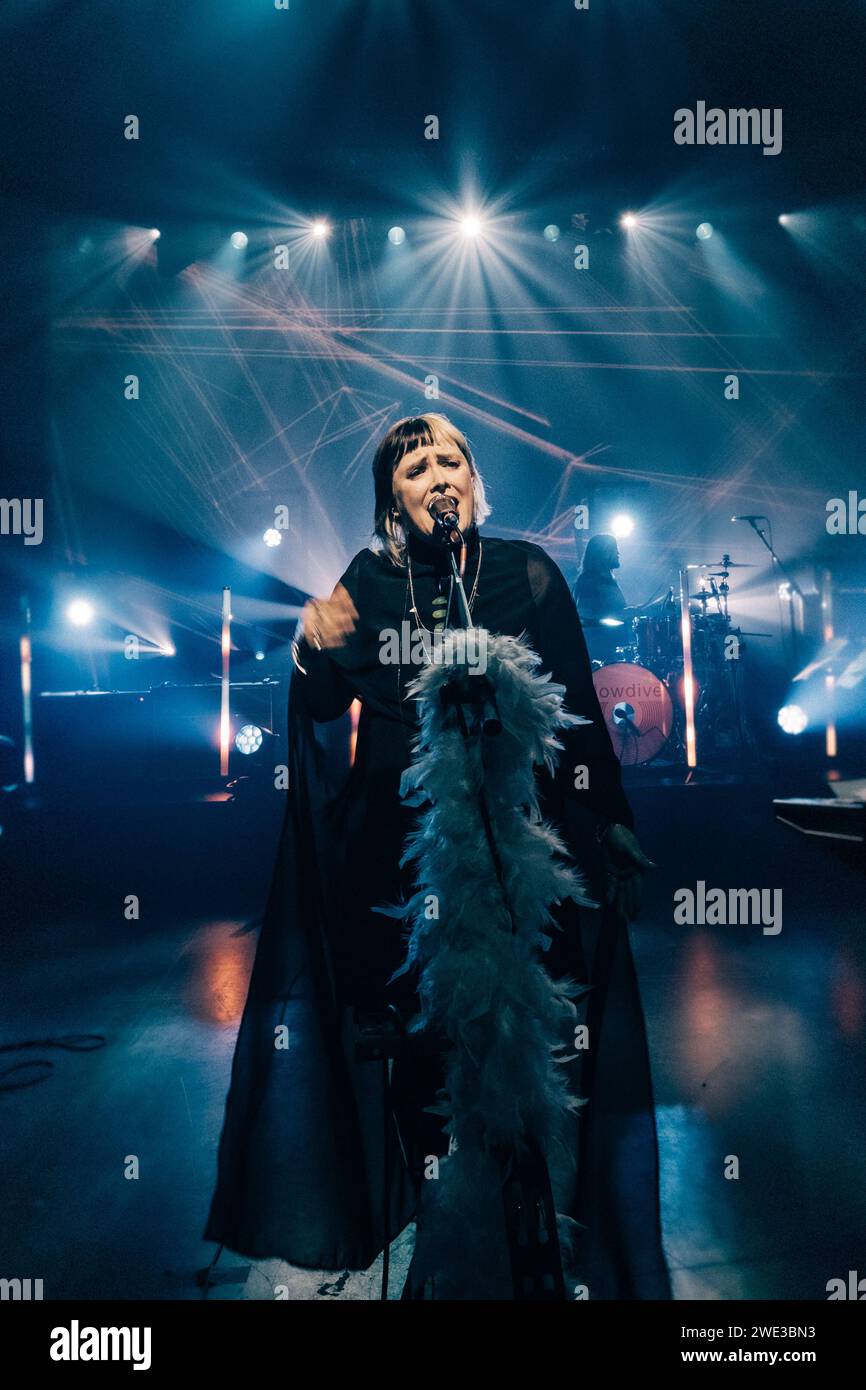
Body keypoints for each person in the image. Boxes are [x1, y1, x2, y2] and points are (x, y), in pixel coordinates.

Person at [204, 413, 671, 1299]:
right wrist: (311, 654)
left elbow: (574, 714)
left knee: (535, 1070)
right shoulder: (370, 584)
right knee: (431, 1087)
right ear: (393, 501)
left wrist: (610, 820)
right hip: (402, 877)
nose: (436, 474)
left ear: (473, 480)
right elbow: (314, 708)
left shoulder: (526, 573)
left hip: (522, 865)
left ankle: (538, 1251)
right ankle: (451, 1250)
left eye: (450, 458)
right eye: (415, 467)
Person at [572, 532, 630, 665]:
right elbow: (585, 615)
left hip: (608, 654)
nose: (618, 553)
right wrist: (624, 614)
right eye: (614, 548)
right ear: (602, 553)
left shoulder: (606, 581)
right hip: (598, 659)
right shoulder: (588, 582)